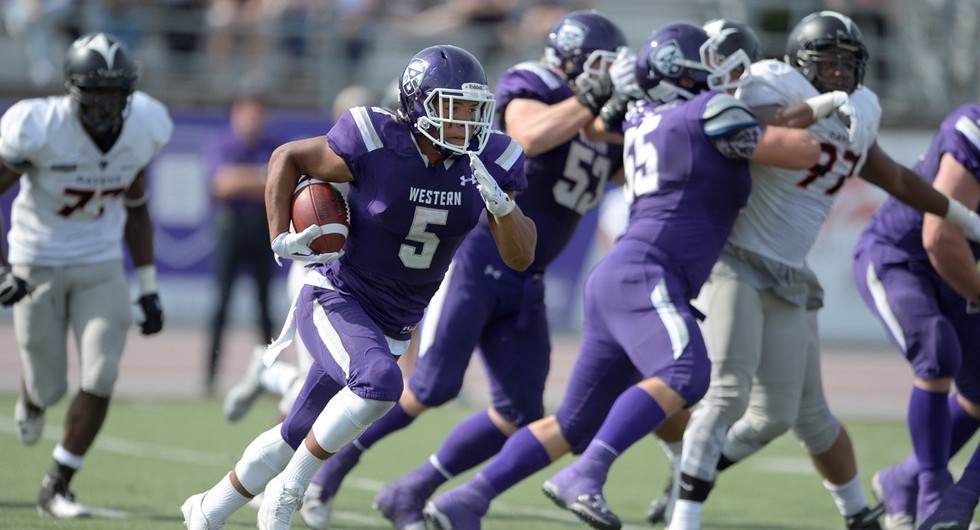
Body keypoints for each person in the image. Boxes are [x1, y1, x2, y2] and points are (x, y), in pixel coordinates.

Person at [422, 22, 822, 530]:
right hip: (648, 271)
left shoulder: (646, 117)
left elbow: (612, 126)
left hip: (624, 274)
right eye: (708, 61)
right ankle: (586, 474)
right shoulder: (706, 110)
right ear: (682, 71)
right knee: (687, 374)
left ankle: (466, 500)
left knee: (572, 422)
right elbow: (799, 149)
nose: (723, 74)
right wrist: (824, 109)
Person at [298, 10, 637, 530]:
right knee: (431, 386)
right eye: (603, 66)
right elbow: (527, 130)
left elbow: (615, 161)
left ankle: (413, 491)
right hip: (480, 259)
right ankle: (326, 473)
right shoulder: (537, 84)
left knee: (520, 411)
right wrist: (590, 99)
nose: (610, 75)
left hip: (529, 273)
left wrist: (636, 112)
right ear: (575, 60)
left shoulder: (594, 116)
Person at [180, 44, 538, 530]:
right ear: (418, 106)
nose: (466, 124)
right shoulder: (377, 141)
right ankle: (288, 491)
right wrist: (278, 237)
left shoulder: (490, 161)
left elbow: (522, 255)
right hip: (337, 296)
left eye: (474, 111)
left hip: (395, 321)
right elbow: (287, 157)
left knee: (296, 429)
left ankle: (206, 511)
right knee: (380, 385)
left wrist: (503, 208)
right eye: (453, 110)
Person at [670, 12, 980, 530]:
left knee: (785, 413)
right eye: (827, 62)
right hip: (741, 255)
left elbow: (897, 177)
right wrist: (813, 108)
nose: (839, 73)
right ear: (797, 62)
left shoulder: (862, 108)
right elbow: (735, 125)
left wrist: (965, 217)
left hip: (791, 267)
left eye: (847, 64)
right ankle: (682, 512)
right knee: (728, 392)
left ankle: (866, 506)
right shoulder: (772, 83)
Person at [0, 32, 172, 518]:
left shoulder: (146, 125)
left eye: (115, 91)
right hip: (36, 259)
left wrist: (149, 288)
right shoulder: (38, 125)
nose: (105, 102)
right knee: (50, 386)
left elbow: (136, 210)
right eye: (95, 91)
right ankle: (33, 400)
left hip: (99, 262)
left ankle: (58, 484)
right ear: (73, 89)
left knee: (102, 370)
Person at [852, 102, 980, 530]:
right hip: (900, 257)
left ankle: (901, 481)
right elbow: (939, 235)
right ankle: (932, 490)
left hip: (953, 265)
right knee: (937, 349)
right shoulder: (973, 128)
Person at [204, 81, 282, 395]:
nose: (253, 116)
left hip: (262, 227)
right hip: (231, 226)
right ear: (237, 112)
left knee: (265, 307)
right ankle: (210, 375)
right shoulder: (222, 142)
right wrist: (263, 177)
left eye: (258, 110)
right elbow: (223, 183)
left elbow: (282, 182)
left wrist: (245, 178)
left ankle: (269, 376)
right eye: (248, 109)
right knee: (221, 303)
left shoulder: (273, 144)